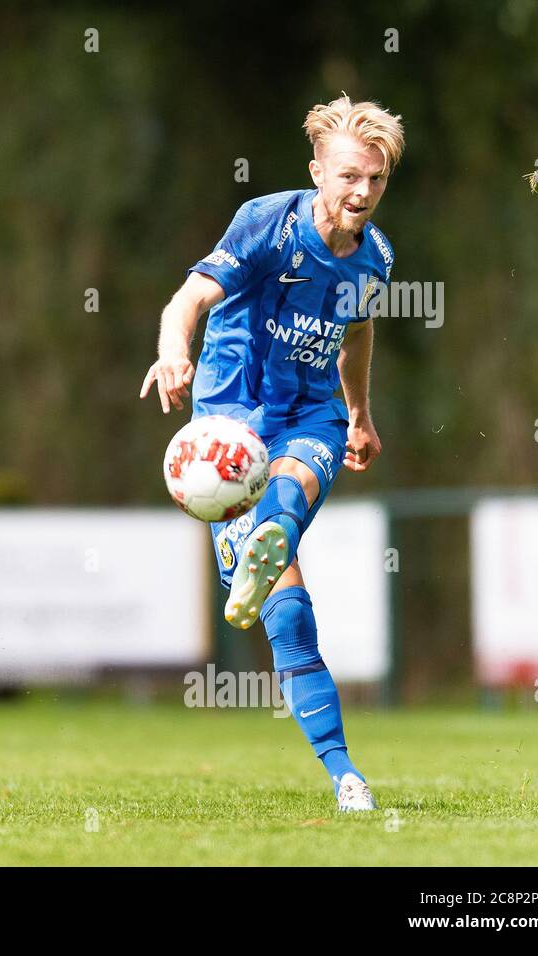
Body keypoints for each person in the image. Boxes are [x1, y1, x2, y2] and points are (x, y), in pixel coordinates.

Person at [140, 94, 405, 811]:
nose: (362, 192)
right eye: (350, 175)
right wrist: (173, 356)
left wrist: (359, 412)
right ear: (317, 169)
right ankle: (343, 771)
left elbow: (356, 331)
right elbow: (186, 302)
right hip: (228, 430)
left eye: (376, 180)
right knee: (288, 617)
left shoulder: (375, 257)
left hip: (311, 420)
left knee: (286, 498)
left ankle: (268, 534)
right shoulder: (267, 223)